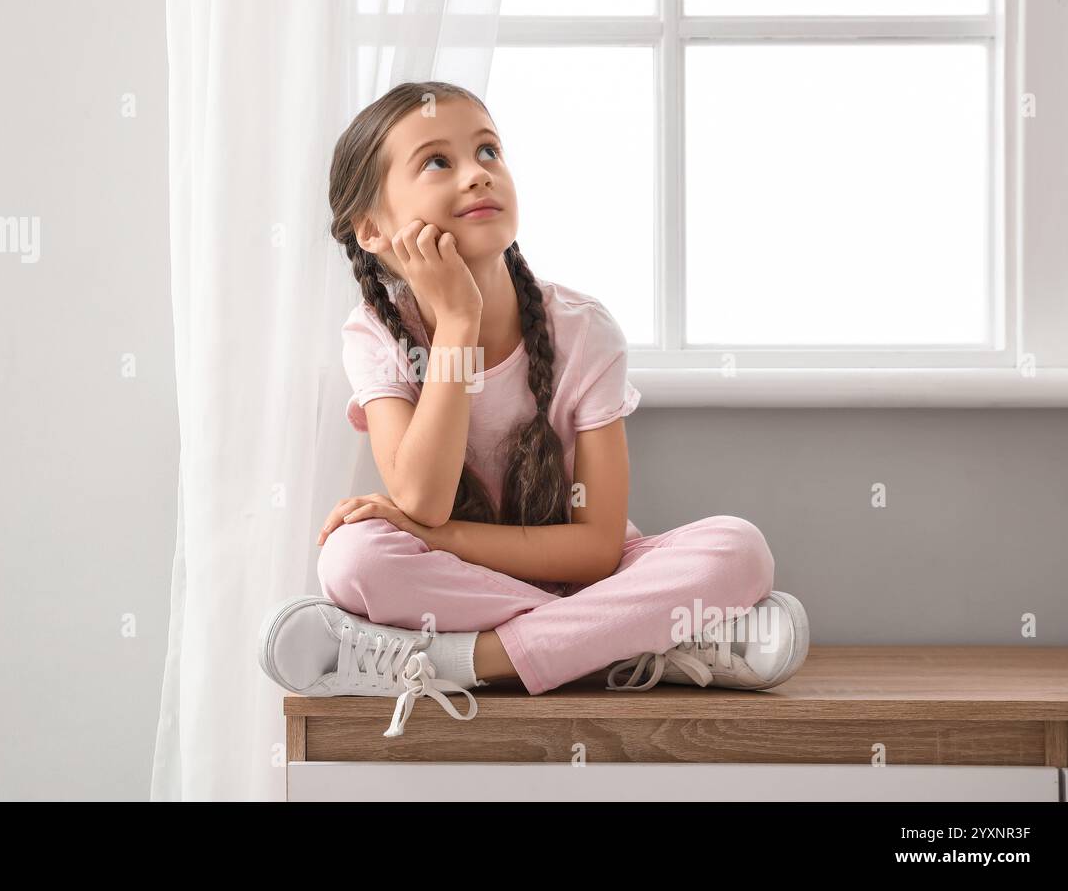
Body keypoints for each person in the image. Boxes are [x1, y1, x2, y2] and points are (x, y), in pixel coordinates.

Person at [258, 81, 809, 738]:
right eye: (438, 162)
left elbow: (597, 551)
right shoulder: (374, 336)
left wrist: (441, 540)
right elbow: (423, 498)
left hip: (577, 584)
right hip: (475, 591)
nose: (476, 174)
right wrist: (457, 321)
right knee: (350, 561)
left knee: (739, 549)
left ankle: (453, 661)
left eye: (488, 150)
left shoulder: (584, 329)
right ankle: (641, 644)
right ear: (373, 228)